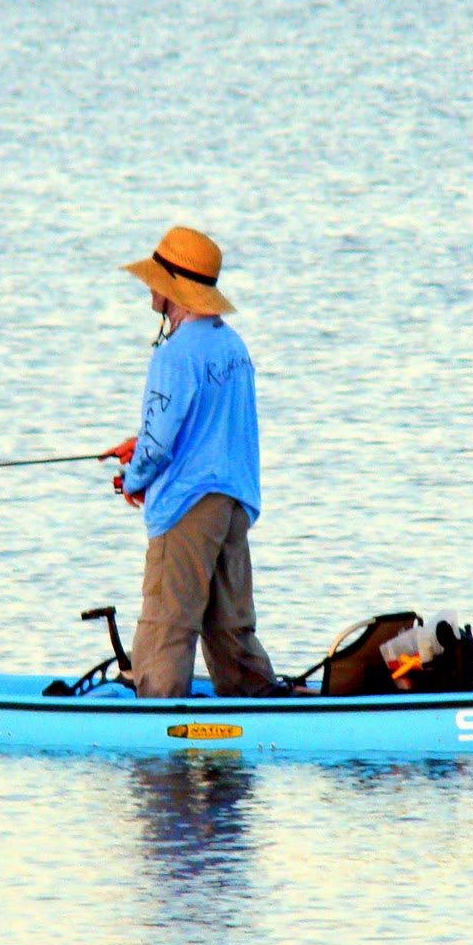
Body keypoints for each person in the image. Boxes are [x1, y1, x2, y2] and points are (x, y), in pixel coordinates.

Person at [101, 226, 290, 700]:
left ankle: (158, 731)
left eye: (154, 280)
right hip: (233, 501)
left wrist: (133, 479)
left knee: (168, 622)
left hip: (185, 505)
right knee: (230, 624)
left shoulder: (174, 354)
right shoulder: (233, 347)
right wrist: (141, 443)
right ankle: (257, 703)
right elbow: (213, 426)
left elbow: (161, 444)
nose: (149, 288)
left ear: (171, 289)